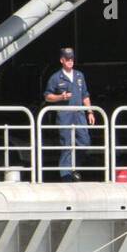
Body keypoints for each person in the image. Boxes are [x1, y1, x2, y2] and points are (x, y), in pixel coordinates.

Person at [43, 47, 95, 182]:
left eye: (72, 59)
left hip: (79, 114)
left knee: (85, 142)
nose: (70, 61)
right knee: (66, 145)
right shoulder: (56, 77)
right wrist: (61, 97)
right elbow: (47, 96)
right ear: (62, 60)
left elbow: (85, 95)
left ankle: (74, 167)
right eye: (67, 59)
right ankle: (65, 176)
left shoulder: (79, 75)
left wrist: (90, 111)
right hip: (65, 114)